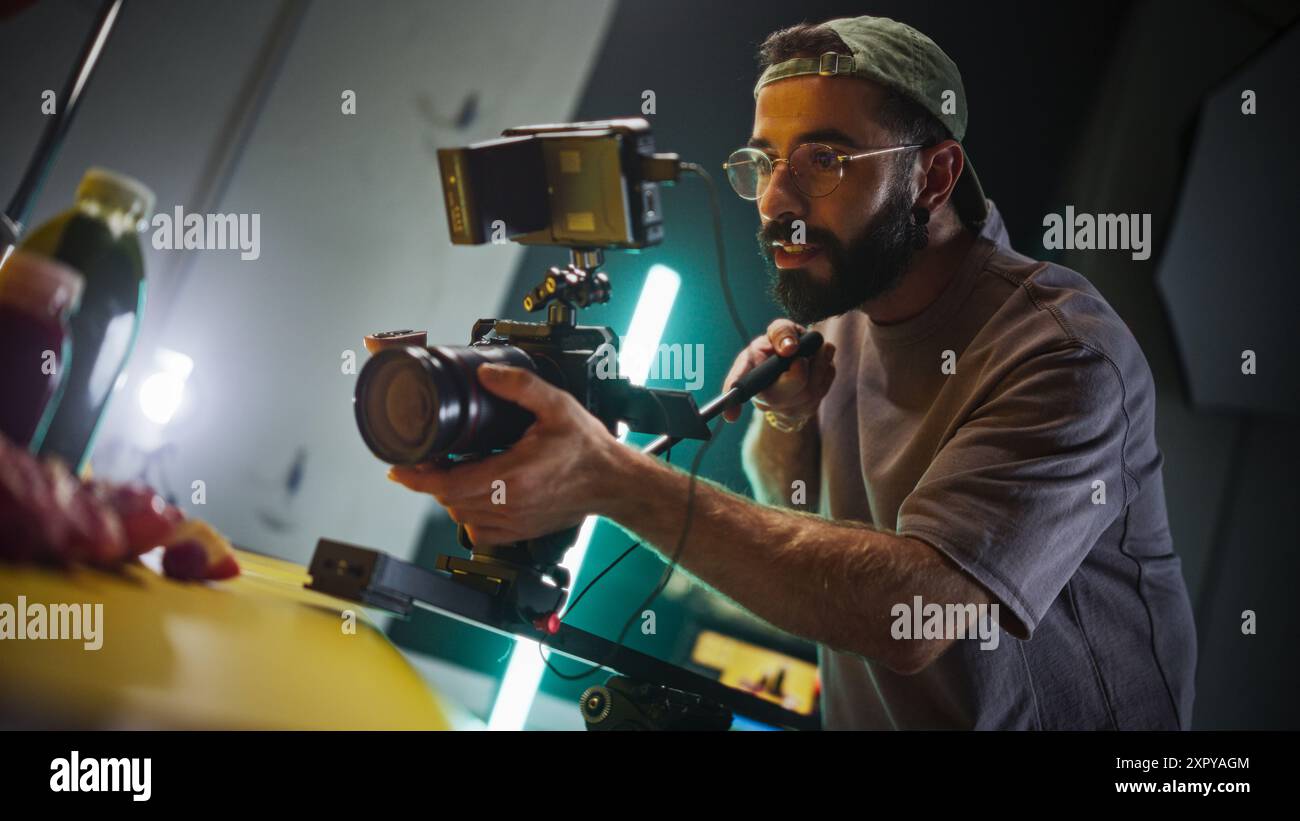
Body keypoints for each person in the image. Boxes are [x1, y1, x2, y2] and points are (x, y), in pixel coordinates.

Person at [389, 15, 1197, 730]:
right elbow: (802, 531)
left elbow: (910, 616)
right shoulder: (845, 314)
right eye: (763, 161)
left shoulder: (1060, 352)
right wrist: (784, 420)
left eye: (824, 160)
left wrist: (613, 479)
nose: (776, 198)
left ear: (934, 177)